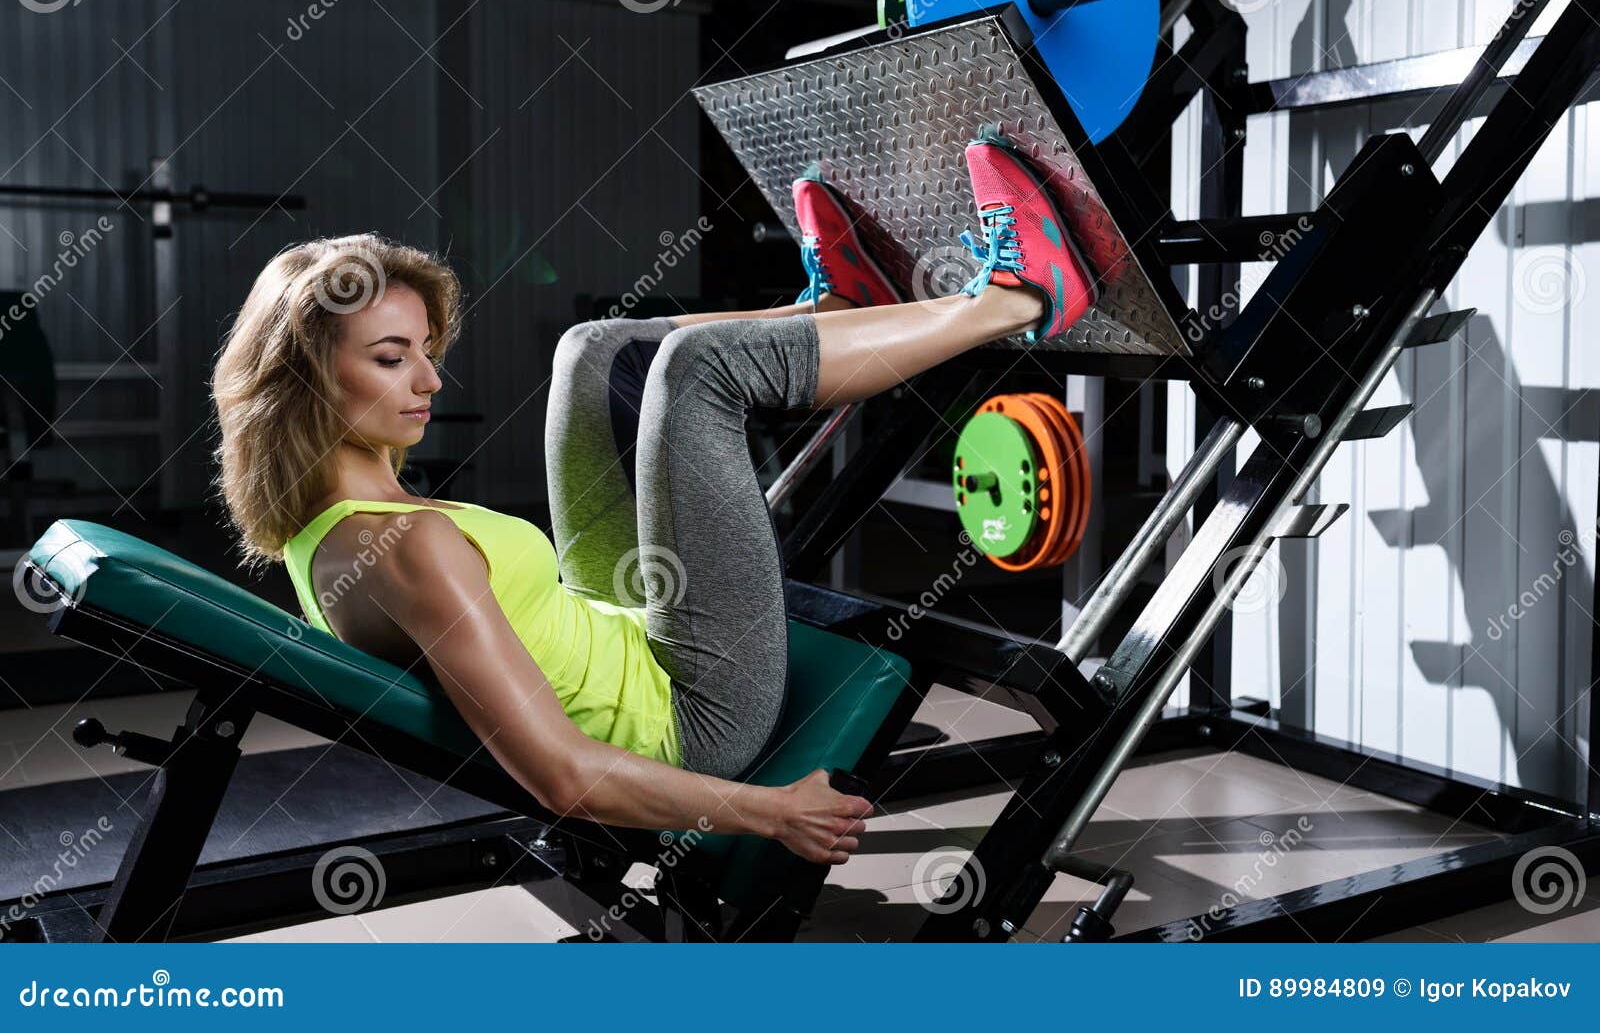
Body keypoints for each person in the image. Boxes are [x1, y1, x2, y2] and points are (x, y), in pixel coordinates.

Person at [210, 133, 1095, 867]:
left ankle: (839, 307)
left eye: (424, 351)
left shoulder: (328, 528)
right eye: (391, 357)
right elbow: (563, 776)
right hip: (694, 713)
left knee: (592, 351)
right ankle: (1017, 299)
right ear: (304, 376)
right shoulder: (405, 550)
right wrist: (772, 813)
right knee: (699, 372)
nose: (431, 381)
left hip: (625, 627)